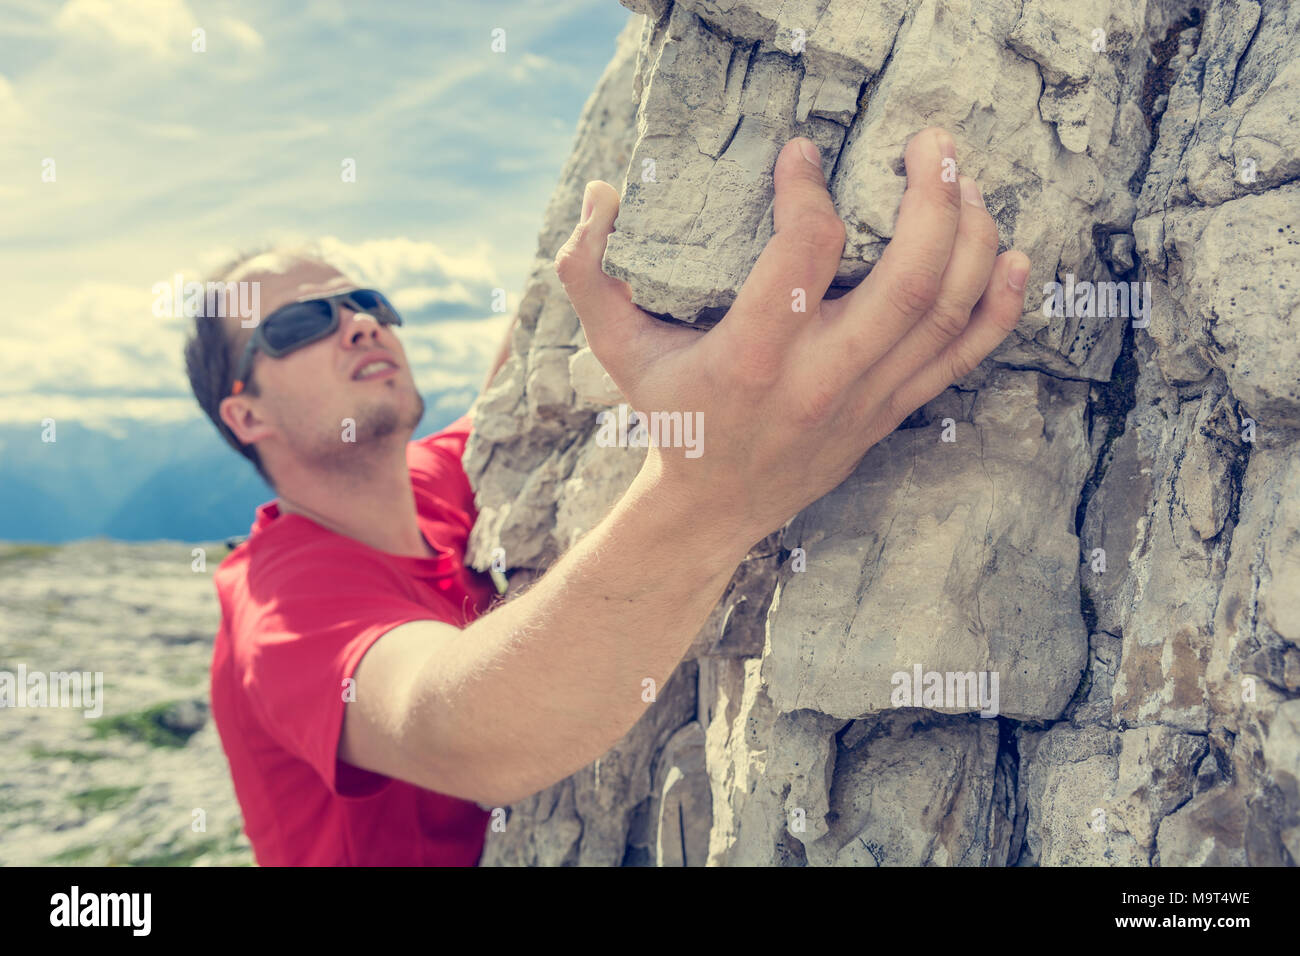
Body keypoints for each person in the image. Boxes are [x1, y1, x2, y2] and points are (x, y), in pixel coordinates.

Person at [183, 128, 1029, 866]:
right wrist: (713, 491)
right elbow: (467, 730)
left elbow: (517, 380)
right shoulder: (278, 600)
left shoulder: (444, 478)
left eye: (365, 301)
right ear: (243, 410)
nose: (359, 324)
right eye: (300, 324)